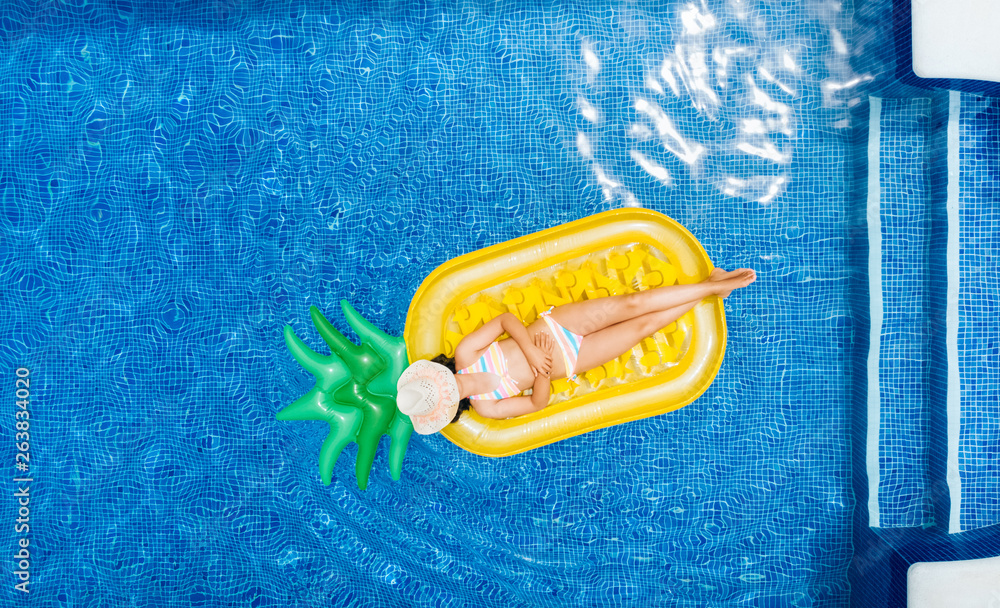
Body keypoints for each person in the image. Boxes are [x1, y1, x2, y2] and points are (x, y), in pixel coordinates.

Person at [395, 268, 756, 434]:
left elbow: (506, 320)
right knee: (643, 327)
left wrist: (531, 351)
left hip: (557, 326)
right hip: (570, 361)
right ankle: (711, 289)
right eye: (444, 399)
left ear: (438, 374)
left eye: (440, 387)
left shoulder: (466, 354)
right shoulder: (488, 407)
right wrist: (540, 372)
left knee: (634, 303)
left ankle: (709, 287)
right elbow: (538, 403)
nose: (449, 391)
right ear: (447, 409)